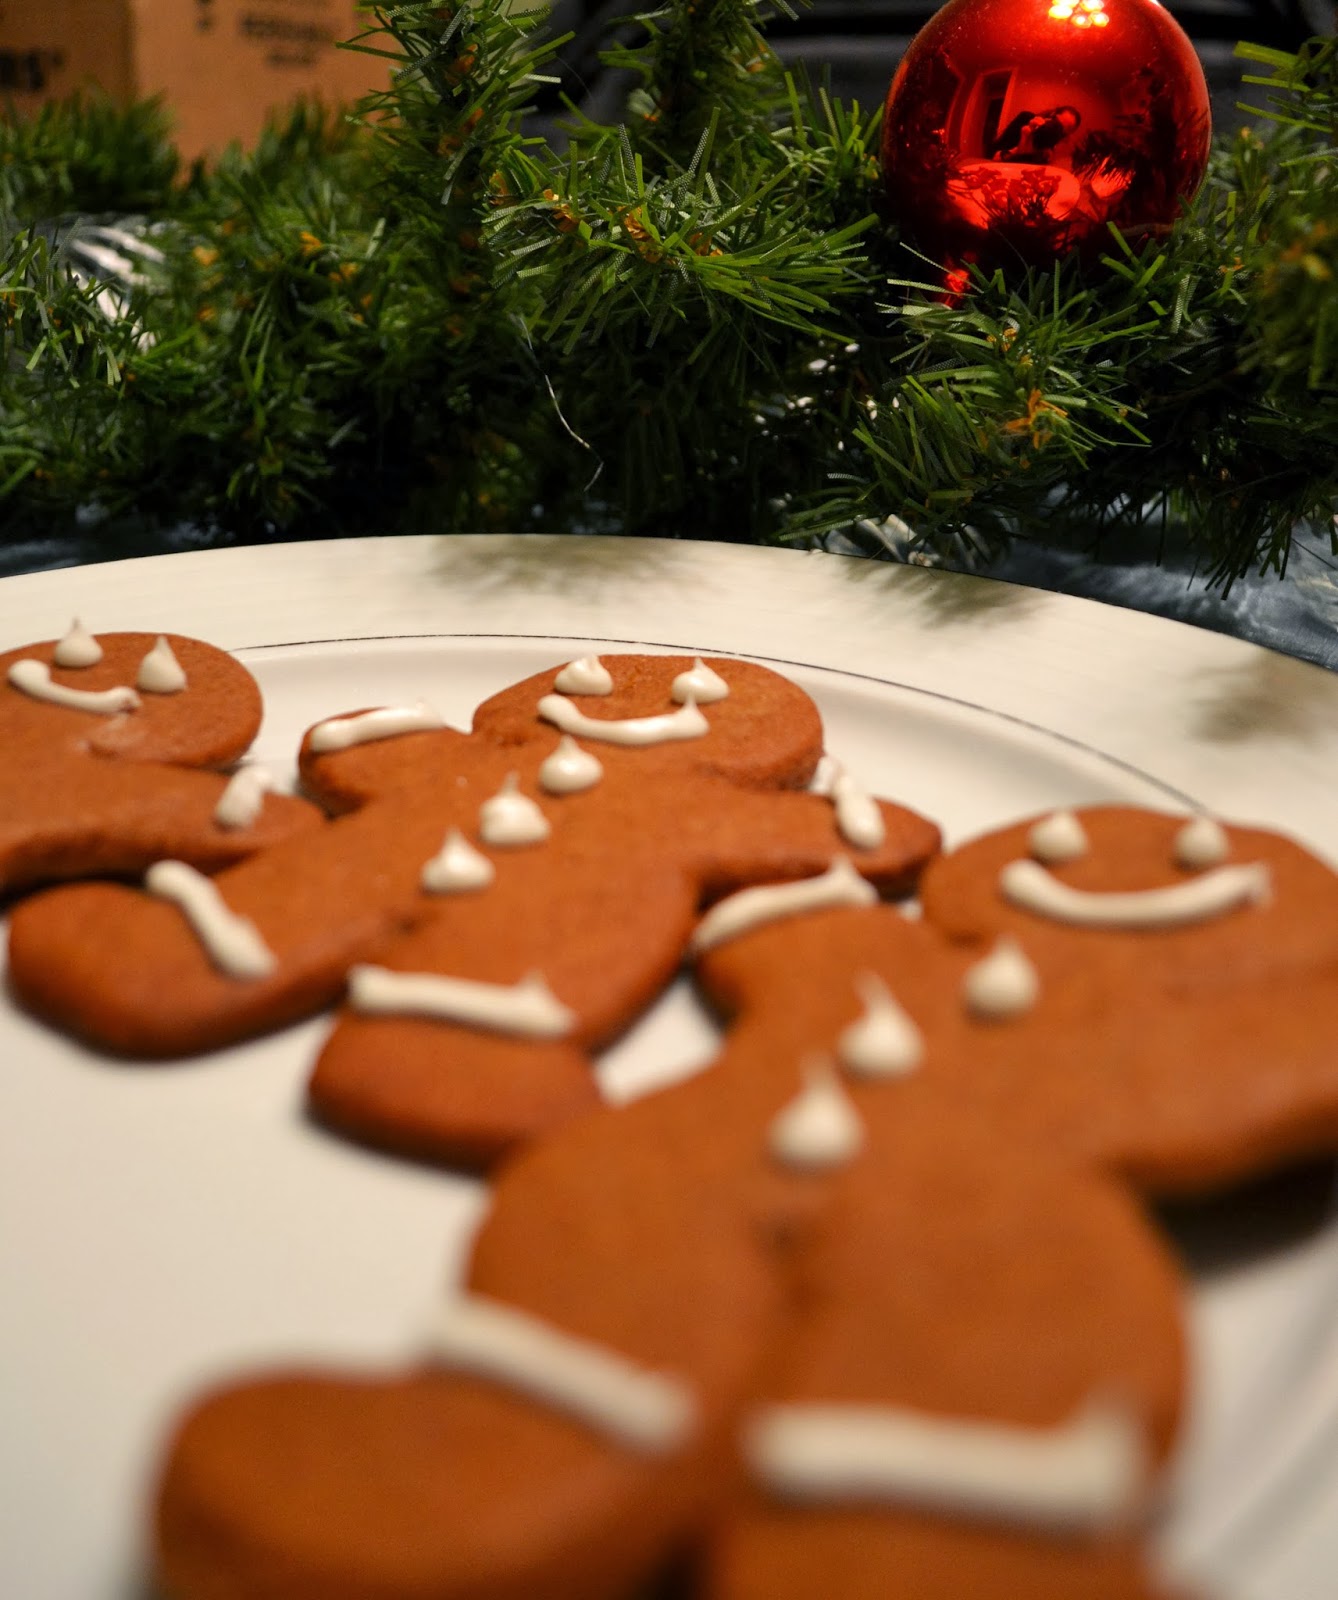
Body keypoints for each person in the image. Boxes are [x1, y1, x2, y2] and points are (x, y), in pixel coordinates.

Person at [992, 105, 1082, 162]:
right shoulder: (1025, 119)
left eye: (1061, 132)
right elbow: (994, 156)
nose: (1053, 131)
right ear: (1052, 115)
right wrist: (1024, 139)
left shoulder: (1056, 148)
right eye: (1056, 123)